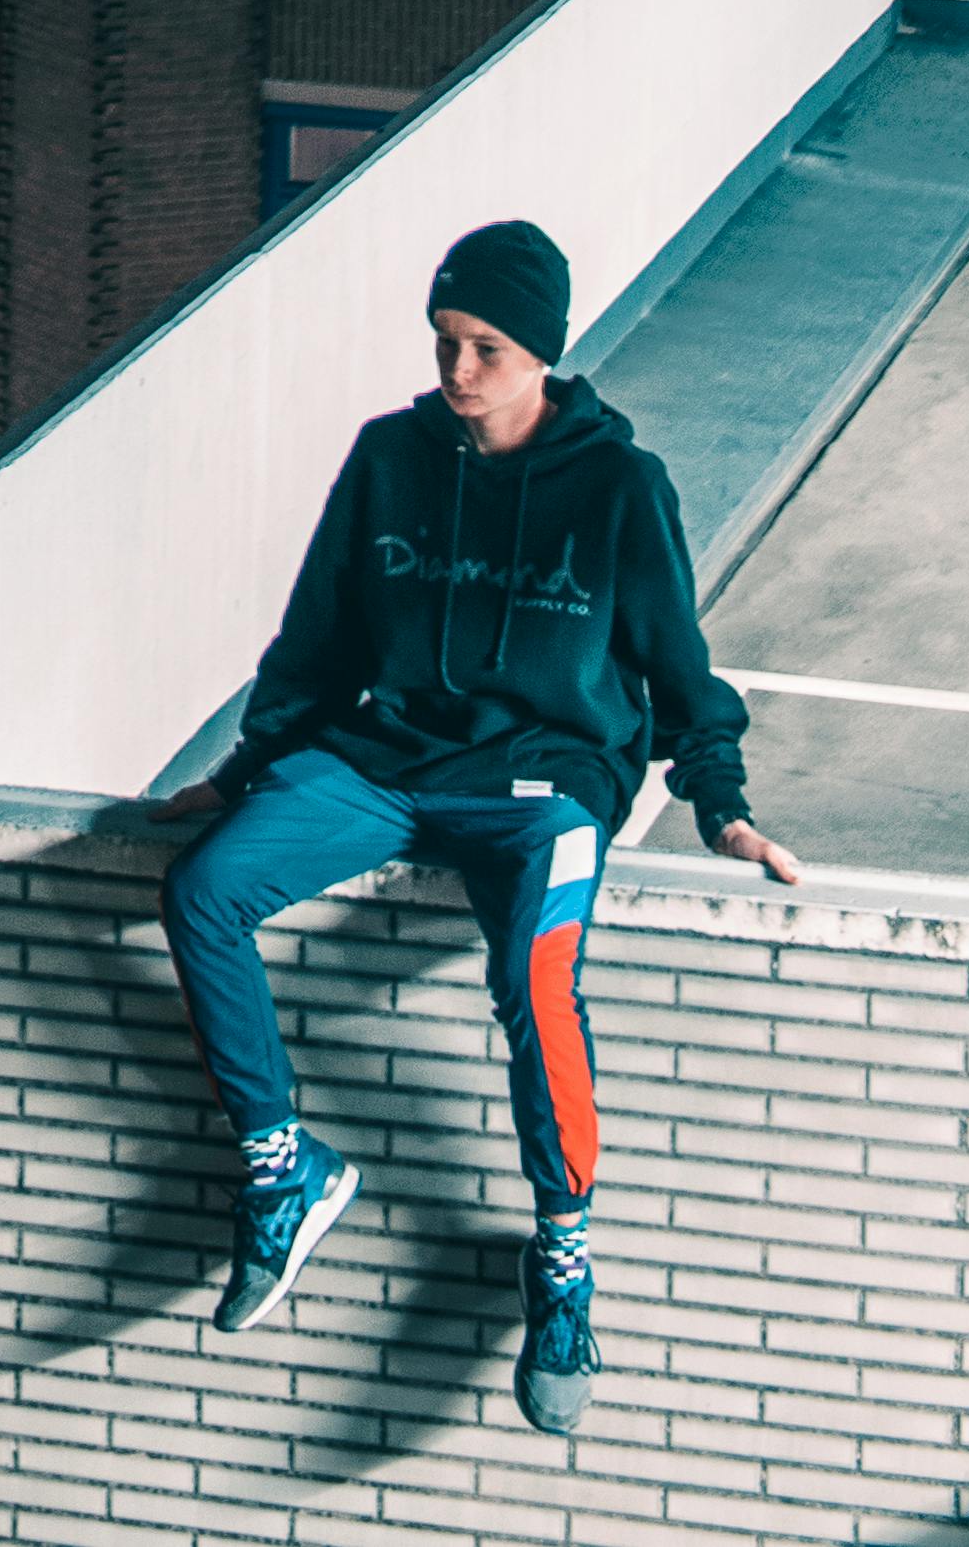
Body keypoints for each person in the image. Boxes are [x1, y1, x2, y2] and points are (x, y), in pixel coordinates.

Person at [148, 217, 800, 1438]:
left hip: (546, 784)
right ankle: (286, 1169)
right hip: (388, 763)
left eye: (486, 347)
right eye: (446, 341)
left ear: (541, 352)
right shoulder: (391, 456)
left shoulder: (618, 484)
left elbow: (679, 669)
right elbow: (316, 644)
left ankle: (562, 1260)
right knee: (202, 890)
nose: (457, 370)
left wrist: (722, 804)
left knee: (535, 977)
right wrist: (245, 777)